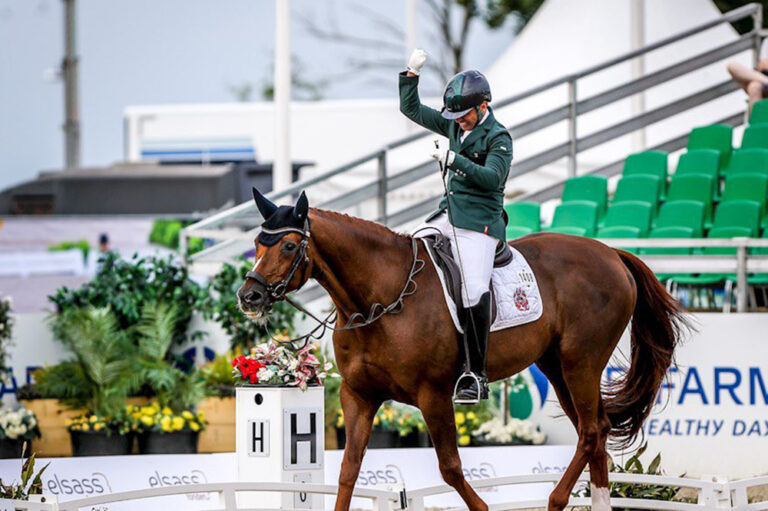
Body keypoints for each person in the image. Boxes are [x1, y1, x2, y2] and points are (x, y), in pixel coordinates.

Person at [399, 49, 513, 403]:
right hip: (447, 213)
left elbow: (493, 179)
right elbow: (412, 110)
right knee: (409, 254)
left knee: (474, 288)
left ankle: (475, 375)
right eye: (456, 117)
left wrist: (454, 159)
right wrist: (410, 74)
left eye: (464, 116)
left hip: (480, 222)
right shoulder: (453, 123)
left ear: (482, 106)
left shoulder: (499, 137)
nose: (459, 122)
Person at [727, 39, 768, 113]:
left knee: (754, 86)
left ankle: (757, 121)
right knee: (732, 66)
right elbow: (762, 65)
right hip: (764, 78)